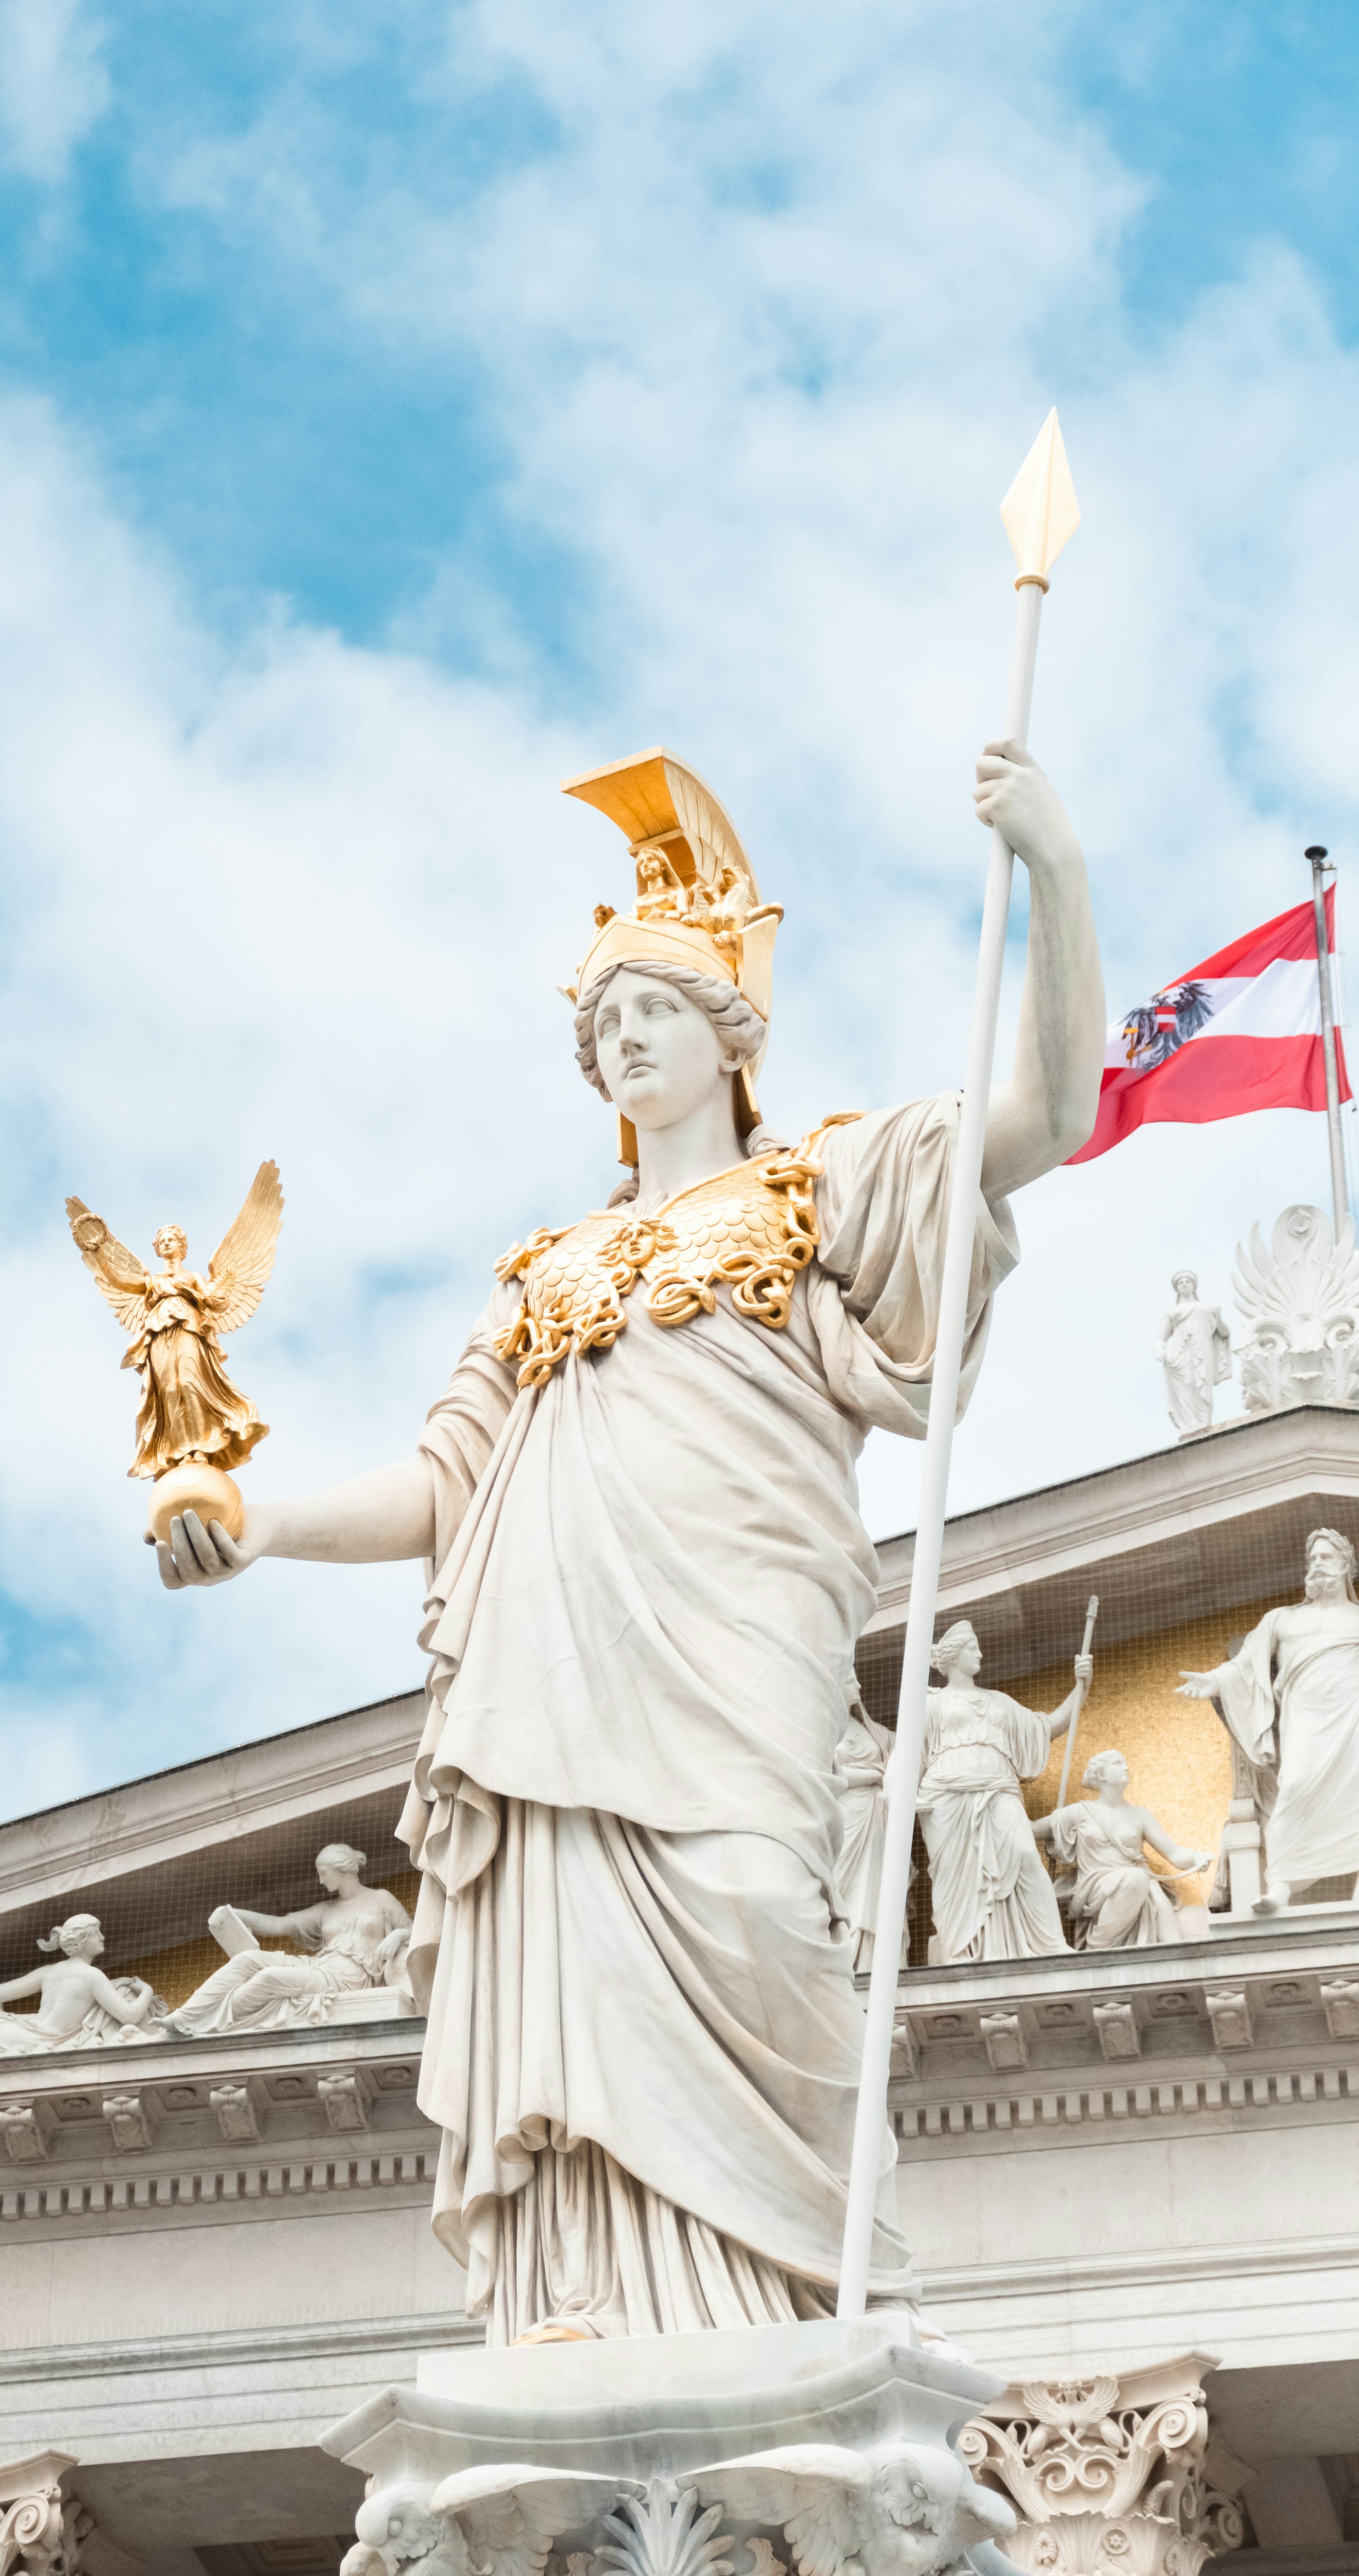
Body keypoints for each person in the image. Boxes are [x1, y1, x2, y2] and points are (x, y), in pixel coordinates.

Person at [156, 736, 1102, 2343]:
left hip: (734, 1641)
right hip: (552, 1677)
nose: (621, 1039)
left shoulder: (820, 1190)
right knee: (570, 1980)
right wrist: (258, 1523)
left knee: (751, 1914)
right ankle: (590, 2299)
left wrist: (1056, 872)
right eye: (600, 1023)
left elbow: (1045, 1112)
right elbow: (440, 1482)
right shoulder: (543, 1275)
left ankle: (801, 2306)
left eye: (650, 1008)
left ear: (730, 1031)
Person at [1179, 1528, 1359, 1911]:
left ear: (1346, 1565)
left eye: (1325, 1558)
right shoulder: (1283, 1620)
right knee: (1293, 1787)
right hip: (1307, 1718)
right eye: (1312, 1560)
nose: (1316, 1566)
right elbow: (1244, 1666)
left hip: (1352, 1716)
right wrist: (1212, 1681)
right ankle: (1280, 1884)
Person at [917, 1621, 1088, 1963]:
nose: (980, 1654)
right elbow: (909, 1756)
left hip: (999, 1789)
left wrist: (1081, 1687)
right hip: (946, 1798)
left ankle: (1051, 1945)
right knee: (954, 1874)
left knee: (1025, 1854)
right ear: (953, 1655)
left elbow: (1049, 1726)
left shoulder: (1000, 1702)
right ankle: (961, 1951)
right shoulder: (929, 1702)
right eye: (972, 1648)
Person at [164, 1843, 411, 2037]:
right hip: (320, 1967)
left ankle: (207, 2023)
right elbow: (279, 1925)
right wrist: (234, 1913)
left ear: (341, 1869)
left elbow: (419, 1933)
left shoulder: (381, 1899)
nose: (322, 1881)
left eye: (324, 1874)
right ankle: (187, 2016)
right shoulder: (327, 1909)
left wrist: (399, 1935)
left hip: (348, 1977)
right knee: (248, 1959)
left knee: (269, 1977)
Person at [0, 1911, 167, 2059]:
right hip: (41, 2039)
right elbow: (130, 2016)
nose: (103, 1937)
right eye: (97, 1932)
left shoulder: (48, 1972)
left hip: (14, 2029)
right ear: (83, 1939)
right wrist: (147, 1991)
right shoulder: (92, 1976)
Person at [1032, 1751, 1210, 1948]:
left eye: (1125, 1763)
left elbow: (1175, 1855)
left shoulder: (1139, 1814)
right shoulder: (1080, 1812)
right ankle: (1098, 1948)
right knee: (1139, 1880)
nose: (1126, 1767)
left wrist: (1197, 1859)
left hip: (1138, 1880)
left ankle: (1176, 1962)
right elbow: (1031, 1830)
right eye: (1118, 1764)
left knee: (1163, 1915)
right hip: (1098, 1883)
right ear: (1101, 1775)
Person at [833, 1671, 899, 1973]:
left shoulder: (870, 1730)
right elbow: (830, 1775)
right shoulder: (823, 1729)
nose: (859, 1686)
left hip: (875, 1816)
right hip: (844, 1816)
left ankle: (871, 1959)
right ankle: (841, 1956)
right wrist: (877, 1775)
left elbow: (905, 1749)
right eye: (850, 1681)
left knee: (875, 1883)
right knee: (842, 1880)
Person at [1158, 1271, 1230, 1438]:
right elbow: (1162, 1339)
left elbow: (1224, 1334)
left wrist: (1218, 1319)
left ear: (1194, 1286)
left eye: (1188, 1281)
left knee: (1201, 1384)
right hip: (1180, 1353)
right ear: (1177, 1288)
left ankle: (1203, 1421)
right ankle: (1190, 1423)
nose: (1184, 1284)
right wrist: (1160, 1349)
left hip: (1202, 1351)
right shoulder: (1172, 1313)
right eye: (1180, 1282)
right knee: (1187, 1383)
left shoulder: (1207, 1309)